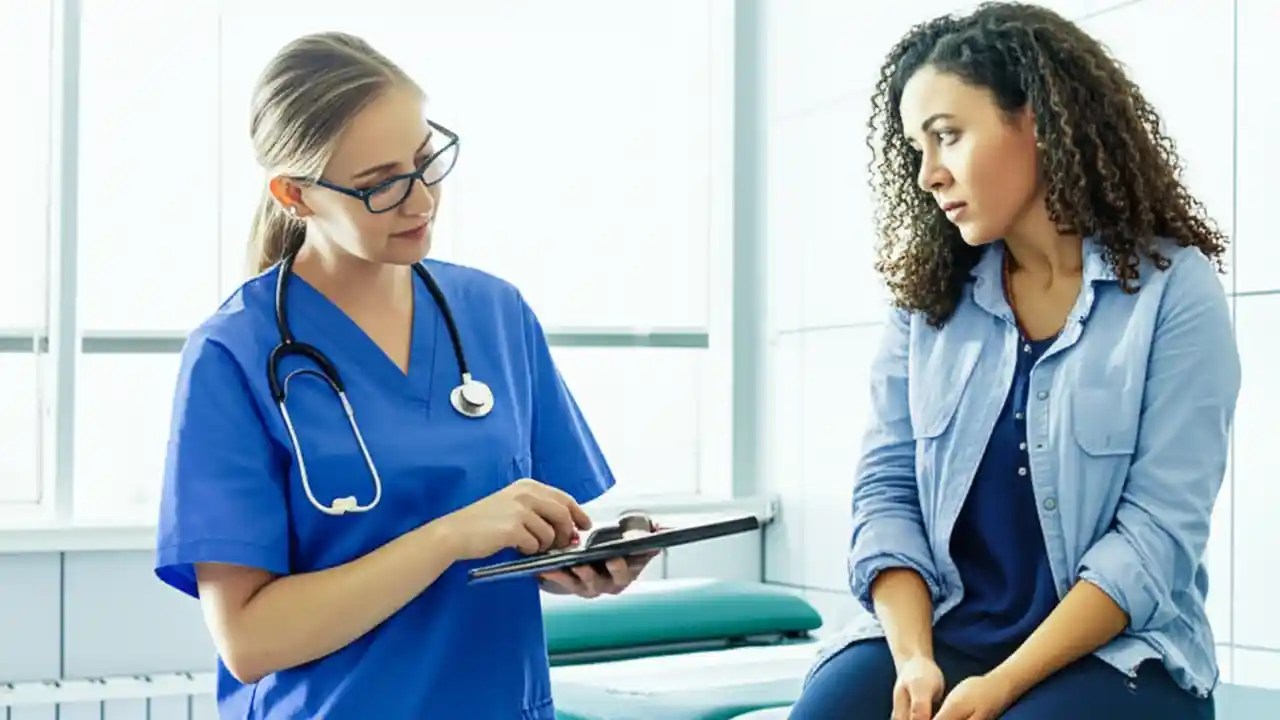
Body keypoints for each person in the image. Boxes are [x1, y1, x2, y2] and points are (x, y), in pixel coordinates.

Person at [153, 32, 655, 719]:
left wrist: (583, 568)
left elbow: (525, 543)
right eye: (379, 184)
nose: (419, 200)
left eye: (425, 162)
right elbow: (248, 637)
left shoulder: (495, 314)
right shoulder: (233, 354)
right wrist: (450, 536)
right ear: (294, 194)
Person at [789, 3, 1239, 719]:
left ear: (1036, 121)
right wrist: (912, 660)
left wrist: (1002, 685)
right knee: (832, 710)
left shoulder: (1173, 293)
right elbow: (886, 498)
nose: (929, 174)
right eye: (917, 149)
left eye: (948, 137)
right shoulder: (927, 302)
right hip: (948, 631)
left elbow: (1156, 539)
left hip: (1114, 653)